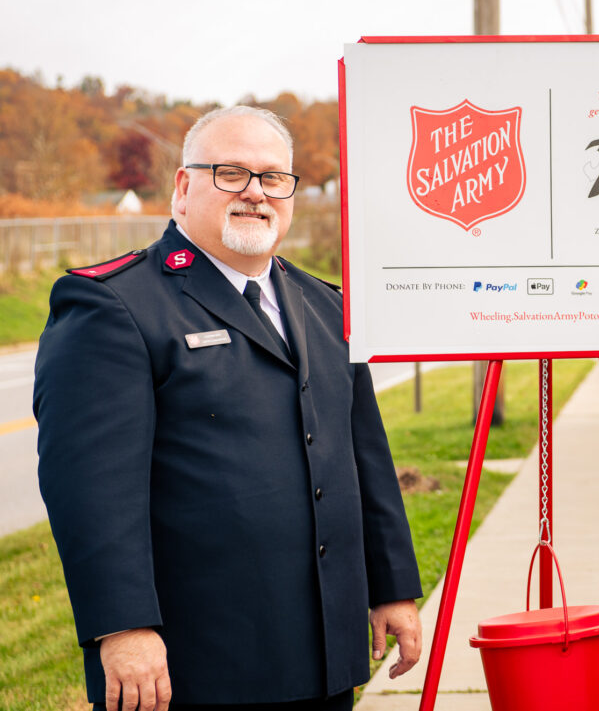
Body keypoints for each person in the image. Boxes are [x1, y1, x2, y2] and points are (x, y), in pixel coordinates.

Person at [35, 106, 422, 711]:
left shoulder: (326, 307)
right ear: (183, 188)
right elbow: (91, 491)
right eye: (231, 173)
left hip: (324, 651)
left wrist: (393, 586)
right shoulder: (114, 306)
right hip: (202, 663)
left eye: (273, 178)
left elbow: (363, 456)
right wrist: (123, 627)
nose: (255, 193)